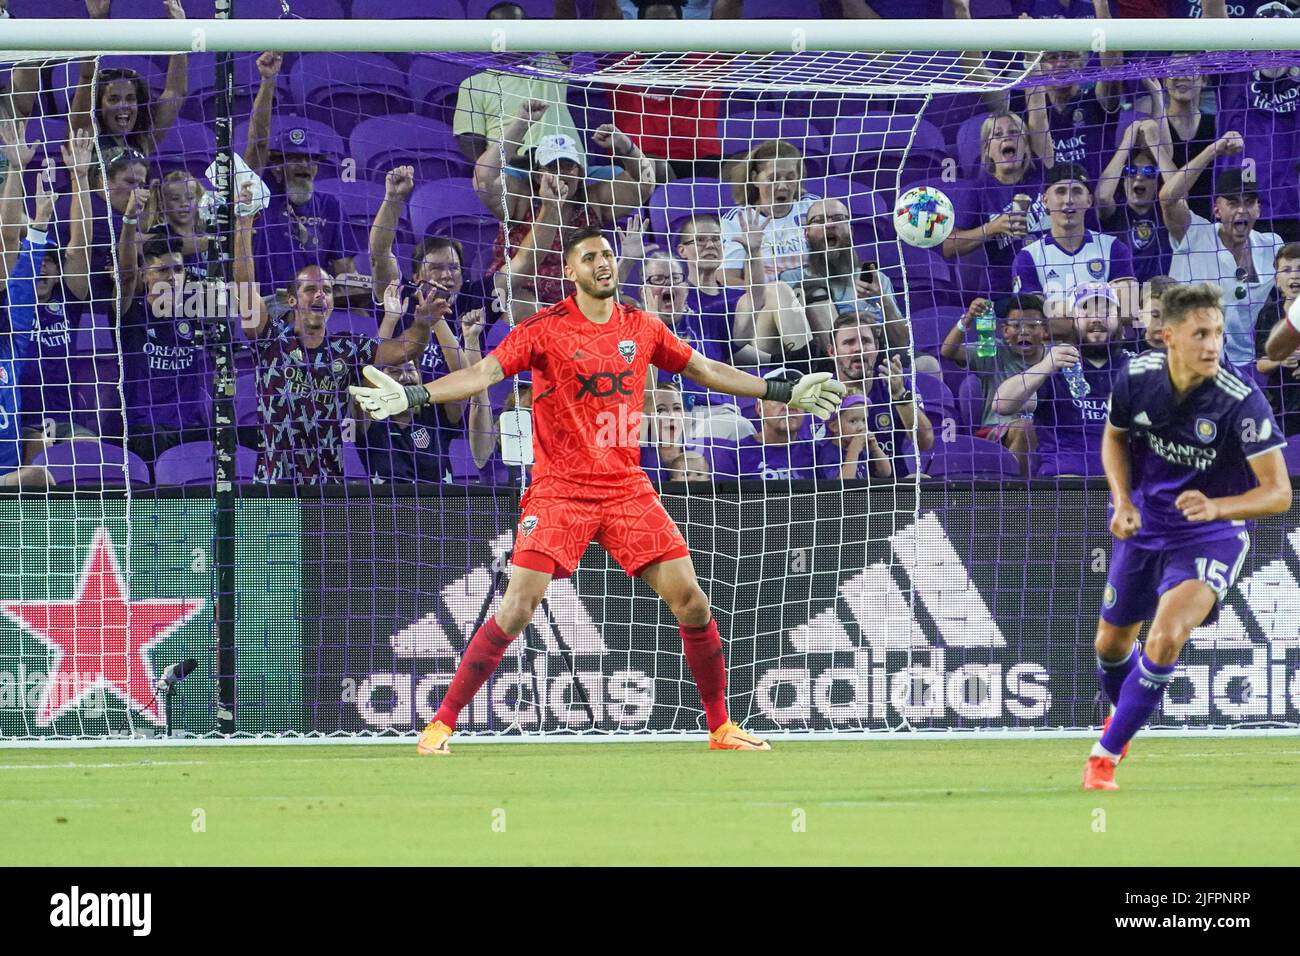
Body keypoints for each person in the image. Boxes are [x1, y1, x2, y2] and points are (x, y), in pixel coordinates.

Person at [347, 224, 846, 754]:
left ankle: (721, 727)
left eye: (607, 255)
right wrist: (416, 397)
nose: (602, 263)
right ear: (570, 271)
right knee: (517, 608)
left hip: (626, 489)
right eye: (589, 258)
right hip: (559, 489)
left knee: (693, 603)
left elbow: (703, 368)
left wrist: (783, 389)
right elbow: (485, 374)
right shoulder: (544, 329)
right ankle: (440, 725)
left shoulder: (642, 325)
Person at [1085, 282, 1290, 790]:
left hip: (1212, 533)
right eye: (1201, 334)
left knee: (1167, 636)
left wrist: (1217, 506)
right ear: (1167, 336)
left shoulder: (1240, 400)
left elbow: (1278, 493)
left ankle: (1103, 757)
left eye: (1218, 333)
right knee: (1111, 646)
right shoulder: (1136, 377)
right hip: (1145, 525)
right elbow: (1113, 438)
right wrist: (1123, 500)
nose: (1212, 345)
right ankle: (1125, 720)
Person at [232, 201, 437, 484]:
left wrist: (423, 323)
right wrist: (243, 226)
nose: (320, 296)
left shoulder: (347, 348)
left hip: (327, 488)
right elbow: (245, 290)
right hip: (273, 485)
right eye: (311, 290)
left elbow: (406, 350)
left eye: (327, 290)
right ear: (292, 300)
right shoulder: (271, 337)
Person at [476, 102, 654, 312]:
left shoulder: (593, 200)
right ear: (538, 175)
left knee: (633, 309)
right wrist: (521, 123)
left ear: (579, 174)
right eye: (552, 167)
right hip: (518, 294)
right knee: (523, 306)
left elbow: (644, 185)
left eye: (568, 166)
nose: (561, 173)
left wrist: (626, 147)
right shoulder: (520, 197)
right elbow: (484, 178)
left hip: (579, 300)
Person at [1162, 142, 1285, 369]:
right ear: (1217, 209)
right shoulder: (1193, 232)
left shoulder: (1272, 245)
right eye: (1233, 203)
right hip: (1189, 359)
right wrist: (1214, 150)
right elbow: (1168, 198)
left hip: (1245, 365)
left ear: (1259, 208)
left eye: (1249, 203)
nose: (1242, 210)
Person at [243, 52, 358, 295]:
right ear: (276, 166)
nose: (303, 165)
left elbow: (344, 271)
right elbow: (258, 144)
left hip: (312, 308)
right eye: (294, 159)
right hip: (264, 306)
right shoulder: (259, 195)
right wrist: (268, 82)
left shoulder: (330, 207)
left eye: (309, 159)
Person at [993, 282, 1126, 477]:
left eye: (1106, 312)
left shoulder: (1137, 367)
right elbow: (1001, 404)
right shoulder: (1056, 365)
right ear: (1072, 321)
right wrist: (1046, 366)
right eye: (1086, 312)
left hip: (1127, 483)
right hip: (1067, 482)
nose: (1096, 319)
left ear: (1120, 319)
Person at [596, 0, 736, 181]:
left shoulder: (706, 60)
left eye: (667, 22)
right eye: (653, 23)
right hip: (639, 159)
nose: (661, 30)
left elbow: (729, 13)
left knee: (745, 167)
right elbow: (607, 13)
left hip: (704, 160)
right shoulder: (621, 63)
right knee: (659, 169)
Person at [453, 1, 584, 166]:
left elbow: (565, 24)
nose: (512, 38)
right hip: (511, 170)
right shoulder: (473, 84)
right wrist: (505, 161)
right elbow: (471, 142)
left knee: (613, 174)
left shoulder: (551, 64)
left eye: (518, 30)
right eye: (505, 33)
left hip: (566, 165)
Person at [1012, 163, 1137, 327]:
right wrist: (1097, 312)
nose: (1069, 200)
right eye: (1060, 192)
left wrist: (1059, 309)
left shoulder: (1114, 248)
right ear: (1045, 201)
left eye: (1077, 191)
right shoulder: (1028, 257)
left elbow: (1129, 312)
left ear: (1089, 200)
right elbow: (1034, 321)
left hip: (1105, 347)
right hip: (1054, 349)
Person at [940, 111, 1050, 296]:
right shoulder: (976, 191)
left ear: (1025, 145)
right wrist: (992, 228)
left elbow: (1039, 114)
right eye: (997, 135)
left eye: (1014, 132)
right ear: (988, 150)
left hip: (1052, 279)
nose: (1006, 137)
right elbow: (948, 246)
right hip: (1005, 290)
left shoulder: (1043, 178)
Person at [940, 294, 1047, 473]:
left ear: (1045, 331)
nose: (1024, 331)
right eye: (1016, 325)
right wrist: (968, 319)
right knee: (1024, 428)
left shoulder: (1057, 356)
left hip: (1048, 429)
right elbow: (948, 351)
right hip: (997, 430)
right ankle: (1012, 491)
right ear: (1005, 331)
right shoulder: (991, 351)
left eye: (1032, 325)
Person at [69, 0, 189, 158]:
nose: (123, 106)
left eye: (131, 98)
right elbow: (87, 77)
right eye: (113, 99)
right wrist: (98, 19)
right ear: (98, 105)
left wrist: (180, 32)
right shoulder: (85, 139)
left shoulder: (143, 141)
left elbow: (176, 92)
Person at [825, 310, 935, 470]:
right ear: (831, 351)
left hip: (894, 486)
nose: (859, 349)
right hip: (839, 488)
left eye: (865, 341)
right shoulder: (820, 392)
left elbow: (925, 442)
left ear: (876, 348)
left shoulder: (897, 382)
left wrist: (899, 395)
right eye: (849, 342)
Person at [1097, 119, 1174, 284]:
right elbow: (1102, 197)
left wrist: (1154, 142)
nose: (1139, 177)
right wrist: (1127, 141)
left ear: (1157, 181)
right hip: (1122, 295)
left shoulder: (1165, 211)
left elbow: (1179, 192)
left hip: (1159, 295)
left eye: (1149, 172)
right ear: (1123, 179)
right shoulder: (1115, 212)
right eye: (1131, 171)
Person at [358, 360, 446, 485]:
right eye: (394, 371)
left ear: (419, 376)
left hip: (438, 502)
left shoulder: (435, 413)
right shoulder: (371, 419)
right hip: (388, 503)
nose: (404, 377)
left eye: (410, 369)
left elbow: (464, 375)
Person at [1254, 244, 1300, 436]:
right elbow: (1260, 365)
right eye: (1287, 270)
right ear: (1276, 280)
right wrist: (1280, 360)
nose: (1295, 276)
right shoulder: (1269, 313)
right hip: (1281, 405)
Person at [816, 393, 892, 481]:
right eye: (853, 421)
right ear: (834, 426)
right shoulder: (828, 453)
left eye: (864, 420)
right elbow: (842, 485)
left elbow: (885, 473)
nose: (862, 427)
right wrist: (853, 451)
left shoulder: (861, 446)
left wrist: (875, 448)